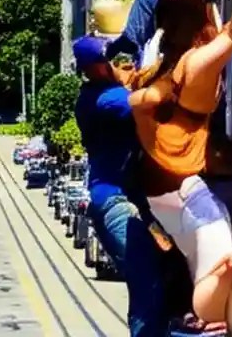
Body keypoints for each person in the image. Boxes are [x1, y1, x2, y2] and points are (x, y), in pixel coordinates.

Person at [128, 0, 232, 330]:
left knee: (198, 258)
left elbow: (140, 97)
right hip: (182, 186)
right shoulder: (197, 64)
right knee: (223, 263)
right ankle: (212, 318)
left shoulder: (156, 59)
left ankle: (200, 312)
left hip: (158, 188)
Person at [72, 35, 168, 337]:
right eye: (109, 59)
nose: (116, 62)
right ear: (94, 69)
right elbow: (151, 100)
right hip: (113, 202)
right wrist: (171, 72)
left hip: (129, 198)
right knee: (146, 284)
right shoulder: (103, 100)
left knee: (161, 280)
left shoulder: (108, 90)